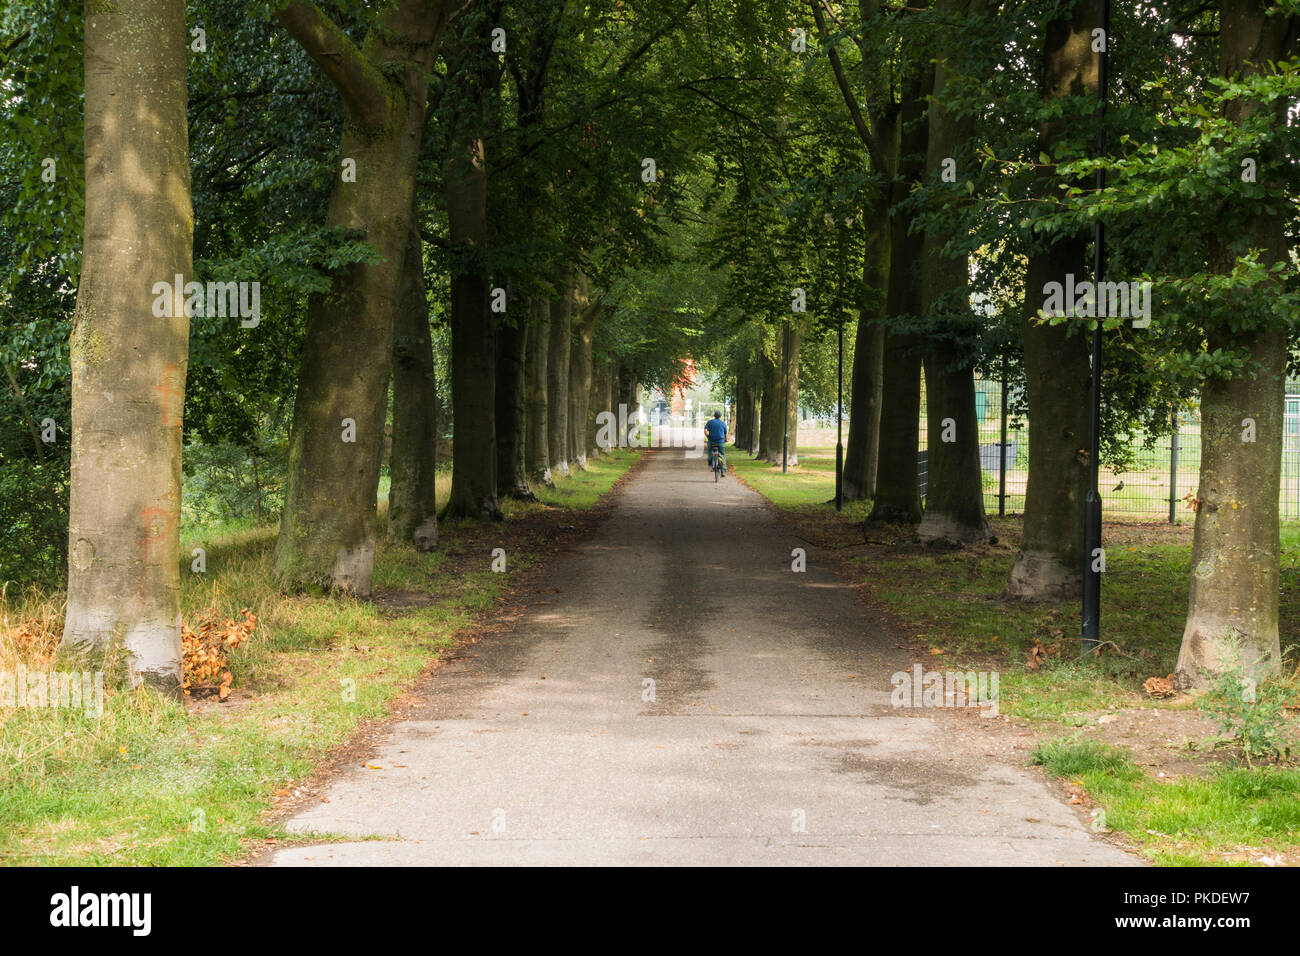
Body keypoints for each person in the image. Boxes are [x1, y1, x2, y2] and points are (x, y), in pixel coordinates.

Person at [704, 410, 727, 475]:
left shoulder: (710, 422)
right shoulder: (723, 423)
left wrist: (708, 436)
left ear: (714, 415)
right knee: (722, 455)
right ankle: (723, 470)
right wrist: (725, 440)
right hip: (720, 442)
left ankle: (711, 461)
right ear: (720, 416)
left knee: (710, 450)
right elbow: (725, 435)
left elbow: (705, 431)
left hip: (712, 441)